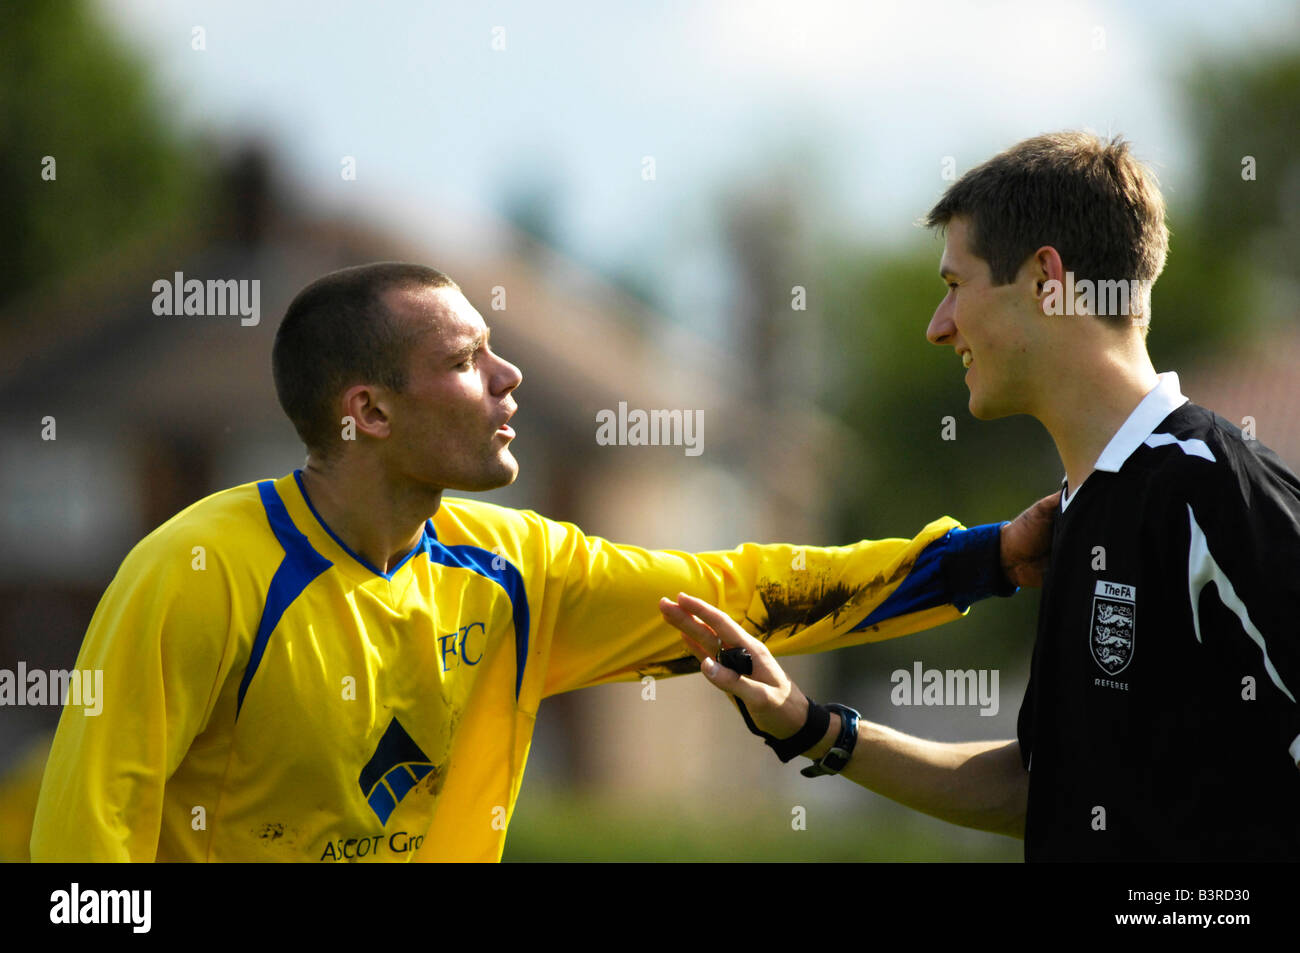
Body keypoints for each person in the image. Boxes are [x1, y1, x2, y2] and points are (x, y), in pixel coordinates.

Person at [29, 262, 1054, 862]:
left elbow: (748, 591)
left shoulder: (520, 570)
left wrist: (987, 558)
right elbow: (80, 862)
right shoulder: (194, 572)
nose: (510, 376)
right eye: (467, 360)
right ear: (369, 410)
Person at [662, 131, 1300, 862]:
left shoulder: (1208, 486)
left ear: (1044, 279)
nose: (938, 327)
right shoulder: (1083, 509)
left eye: (955, 285)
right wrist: (812, 728)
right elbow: (1044, 784)